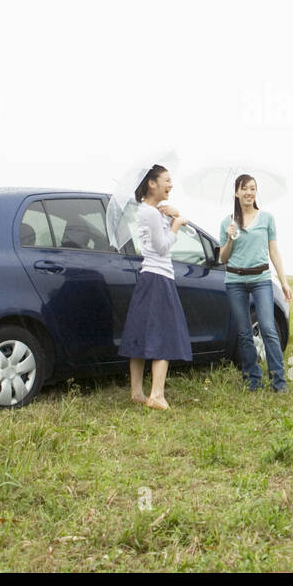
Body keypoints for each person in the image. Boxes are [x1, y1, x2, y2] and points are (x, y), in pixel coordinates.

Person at [119, 164, 193, 410]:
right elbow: (162, 247)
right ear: (152, 183)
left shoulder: (149, 211)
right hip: (160, 276)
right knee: (164, 335)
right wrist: (176, 225)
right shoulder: (150, 213)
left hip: (148, 276)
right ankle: (156, 395)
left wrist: (173, 215)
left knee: (140, 334)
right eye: (167, 180)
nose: (171, 185)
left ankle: (137, 392)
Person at [219, 173, 293, 392]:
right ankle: (252, 378)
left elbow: (274, 252)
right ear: (236, 192)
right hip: (235, 281)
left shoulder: (267, 219)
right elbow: (223, 258)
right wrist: (230, 239)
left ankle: (278, 380)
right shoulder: (227, 222)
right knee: (243, 332)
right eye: (244, 188)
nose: (249, 192)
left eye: (252, 188)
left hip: (261, 279)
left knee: (269, 328)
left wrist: (285, 282)